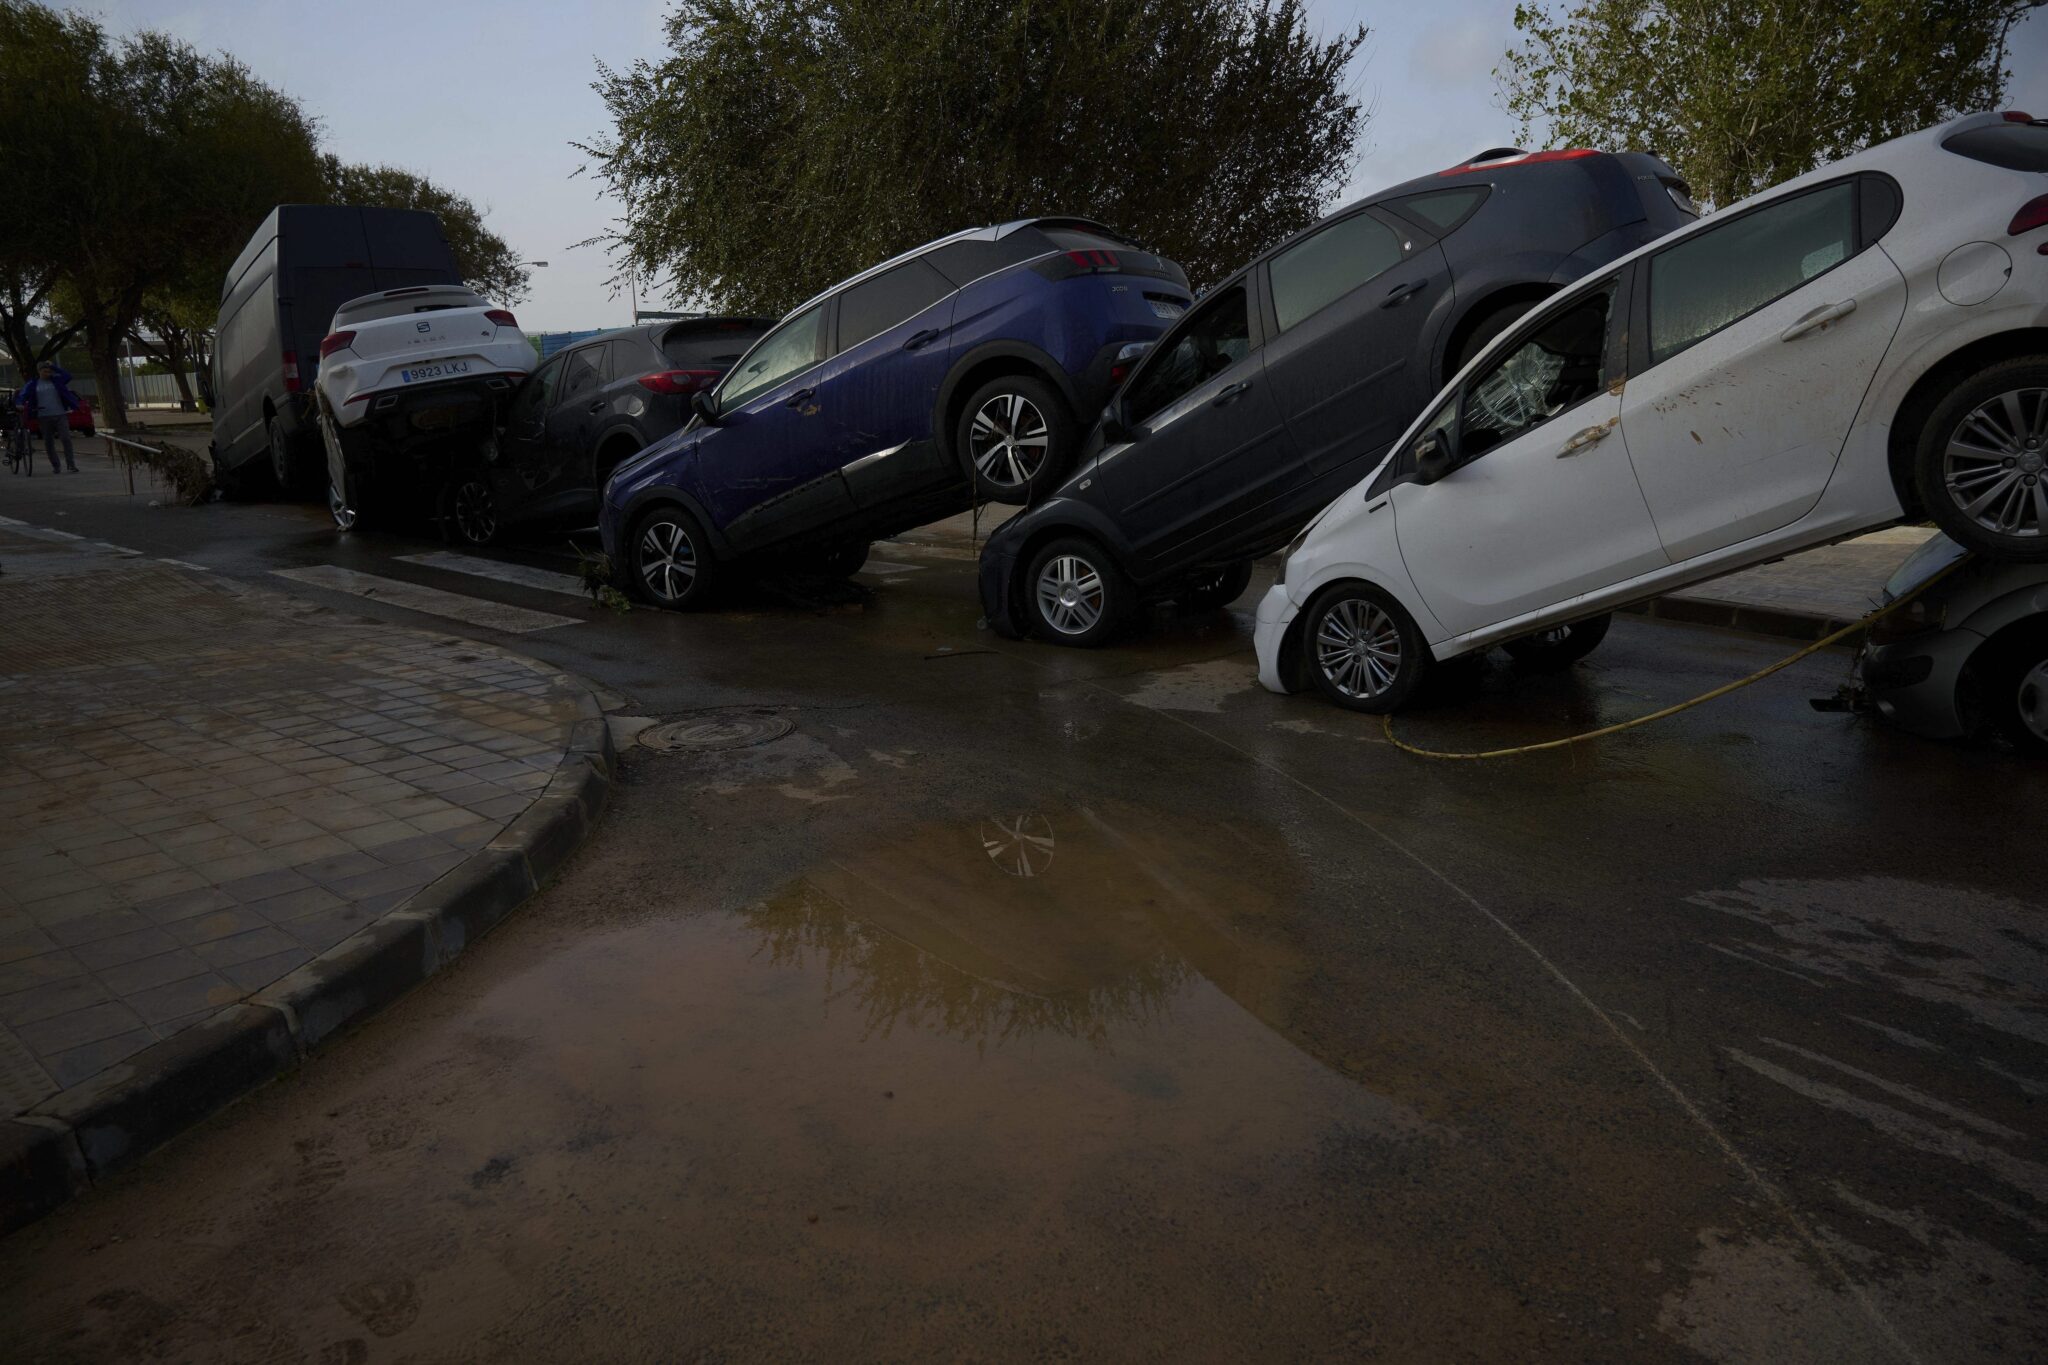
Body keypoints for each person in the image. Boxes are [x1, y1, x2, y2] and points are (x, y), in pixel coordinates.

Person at [15, 360, 81, 473]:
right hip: (44, 416)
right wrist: (19, 403)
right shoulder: (33, 384)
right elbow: (23, 394)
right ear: (39, 371)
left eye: (49, 371)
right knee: (48, 441)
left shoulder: (57, 380)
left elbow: (68, 376)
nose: (48, 374)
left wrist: (55, 367)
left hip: (60, 414)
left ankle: (71, 464)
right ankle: (56, 465)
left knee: (66, 438)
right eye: (45, 371)